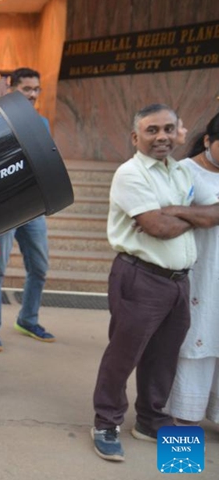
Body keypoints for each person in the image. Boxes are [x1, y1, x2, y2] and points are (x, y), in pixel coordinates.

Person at [91, 104, 219, 462]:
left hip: (179, 283)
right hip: (140, 277)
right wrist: (192, 217)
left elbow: (213, 213)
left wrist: (174, 211)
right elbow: (158, 229)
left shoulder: (180, 172)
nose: (161, 136)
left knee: (163, 358)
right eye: (151, 130)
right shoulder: (130, 174)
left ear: (178, 131)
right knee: (123, 355)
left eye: (168, 129)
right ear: (136, 137)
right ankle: (106, 423)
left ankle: (150, 421)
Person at [0, 67, 54, 352]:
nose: (32, 94)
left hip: (34, 207)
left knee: (39, 267)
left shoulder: (42, 123)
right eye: (26, 88)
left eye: (36, 89)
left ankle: (27, 319)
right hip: (7, 206)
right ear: (11, 89)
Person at [164, 111, 219, 427]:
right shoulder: (184, 171)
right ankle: (180, 466)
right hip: (200, 281)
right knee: (191, 362)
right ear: (209, 140)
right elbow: (165, 218)